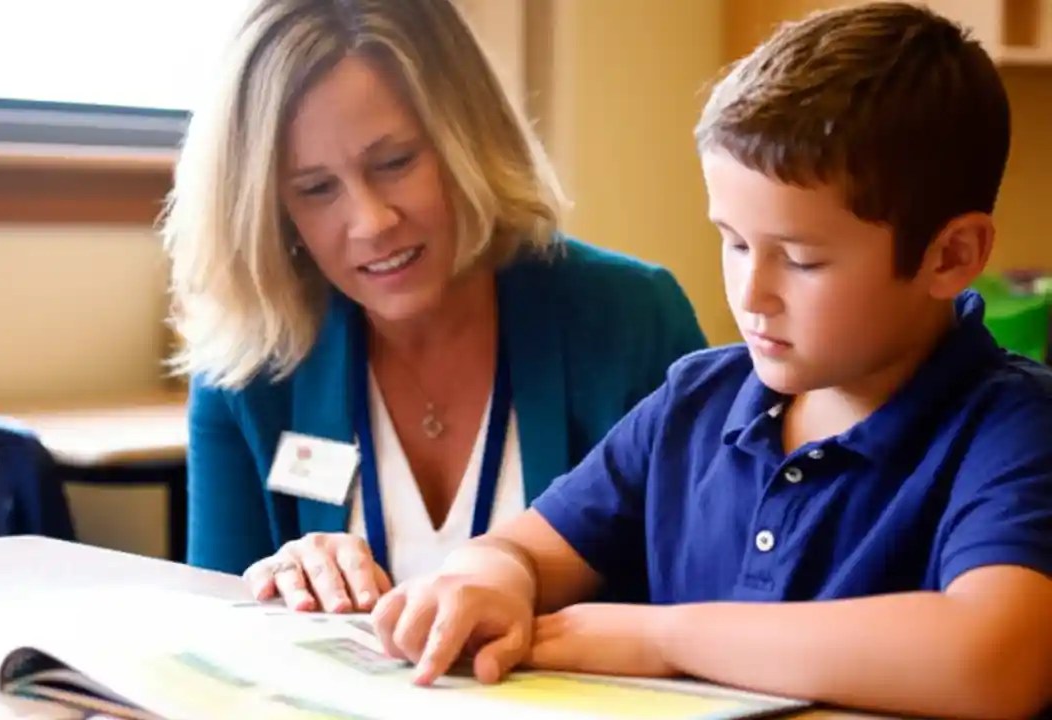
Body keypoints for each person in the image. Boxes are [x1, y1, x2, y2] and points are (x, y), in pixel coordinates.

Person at [369, 4, 1052, 719]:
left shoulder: (1013, 428)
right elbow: (527, 552)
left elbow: (993, 658)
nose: (751, 293)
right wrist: (488, 578)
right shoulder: (696, 399)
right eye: (732, 242)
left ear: (952, 256)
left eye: (800, 260)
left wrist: (665, 638)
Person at [161, 0, 706, 614]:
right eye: (317, 189)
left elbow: (710, 603)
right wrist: (272, 588)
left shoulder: (630, 316)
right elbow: (217, 653)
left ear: (468, 137)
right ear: (271, 207)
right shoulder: (249, 360)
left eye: (395, 163)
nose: (371, 222)